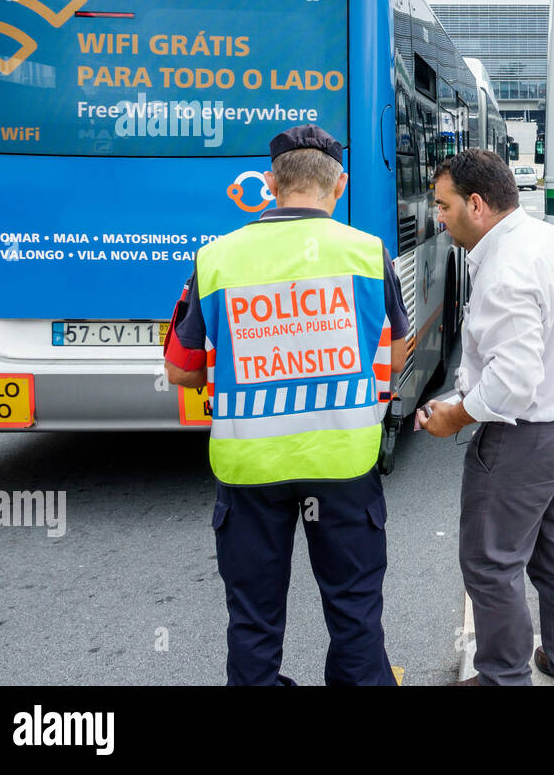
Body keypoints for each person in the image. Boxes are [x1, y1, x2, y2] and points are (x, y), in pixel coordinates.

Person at [163, 124, 409, 685]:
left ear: (271, 183)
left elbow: (180, 368)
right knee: (354, 611)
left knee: (253, 617)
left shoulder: (217, 257)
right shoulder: (369, 255)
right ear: (339, 184)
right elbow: (395, 355)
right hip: (343, 465)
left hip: (250, 468)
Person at [418, 148, 554, 686]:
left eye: (444, 205)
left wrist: (455, 416)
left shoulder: (505, 269)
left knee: (490, 563)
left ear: (476, 204)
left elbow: (514, 382)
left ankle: (503, 677)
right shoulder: (549, 239)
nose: (439, 217)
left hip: (527, 439)